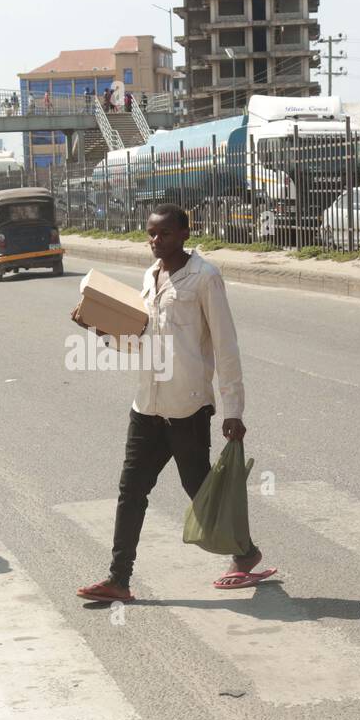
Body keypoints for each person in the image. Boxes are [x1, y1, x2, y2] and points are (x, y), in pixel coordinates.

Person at [72, 203, 273, 602]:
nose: (155, 241)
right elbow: (137, 343)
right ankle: (119, 579)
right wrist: (96, 327)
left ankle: (245, 553)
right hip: (146, 406)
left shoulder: (205, 278)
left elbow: (226, 346)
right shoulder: (150, 276)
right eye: (150, 233)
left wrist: (233, 410)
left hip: (187, 407)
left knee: (199, 490)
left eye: (164, 233)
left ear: (184, 233)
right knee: (131, 491)